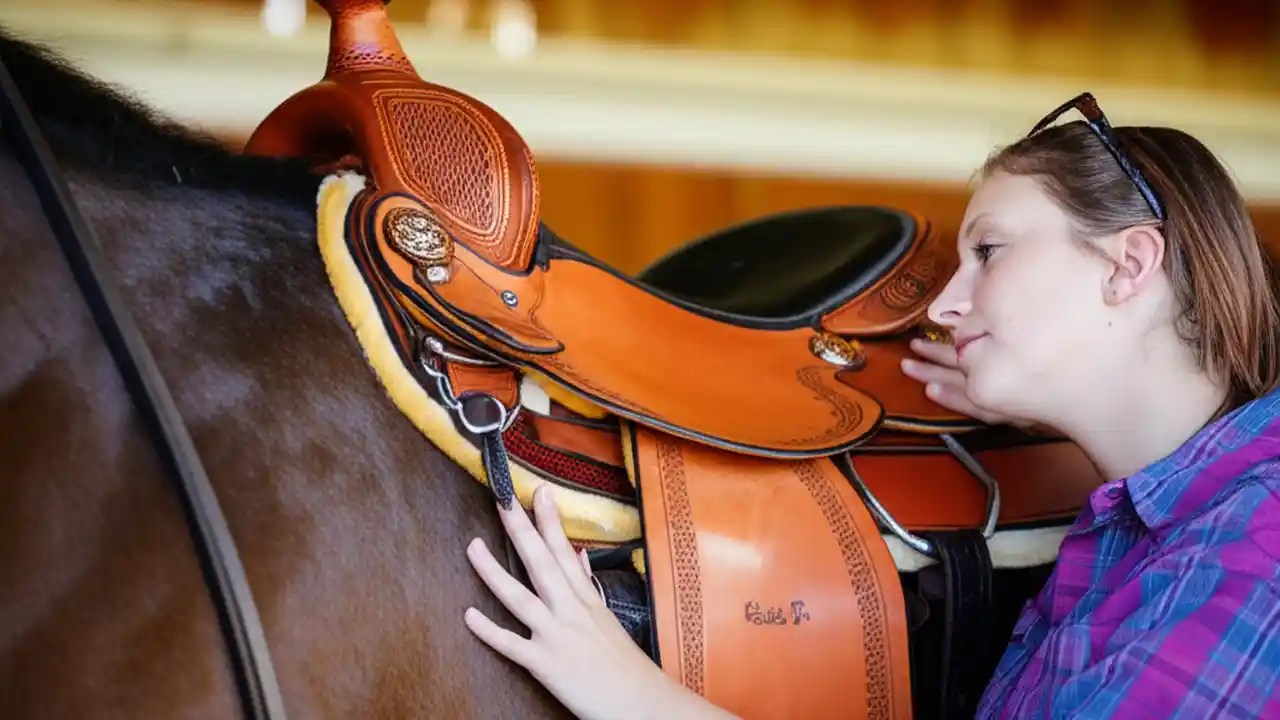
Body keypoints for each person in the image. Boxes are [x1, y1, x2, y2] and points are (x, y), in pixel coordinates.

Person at [461, 92, 1280, 719]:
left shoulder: (1253, 553)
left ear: (1129, 264)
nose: (949, 304)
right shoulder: (1137, 531)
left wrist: (637, 698)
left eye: (989, 251)